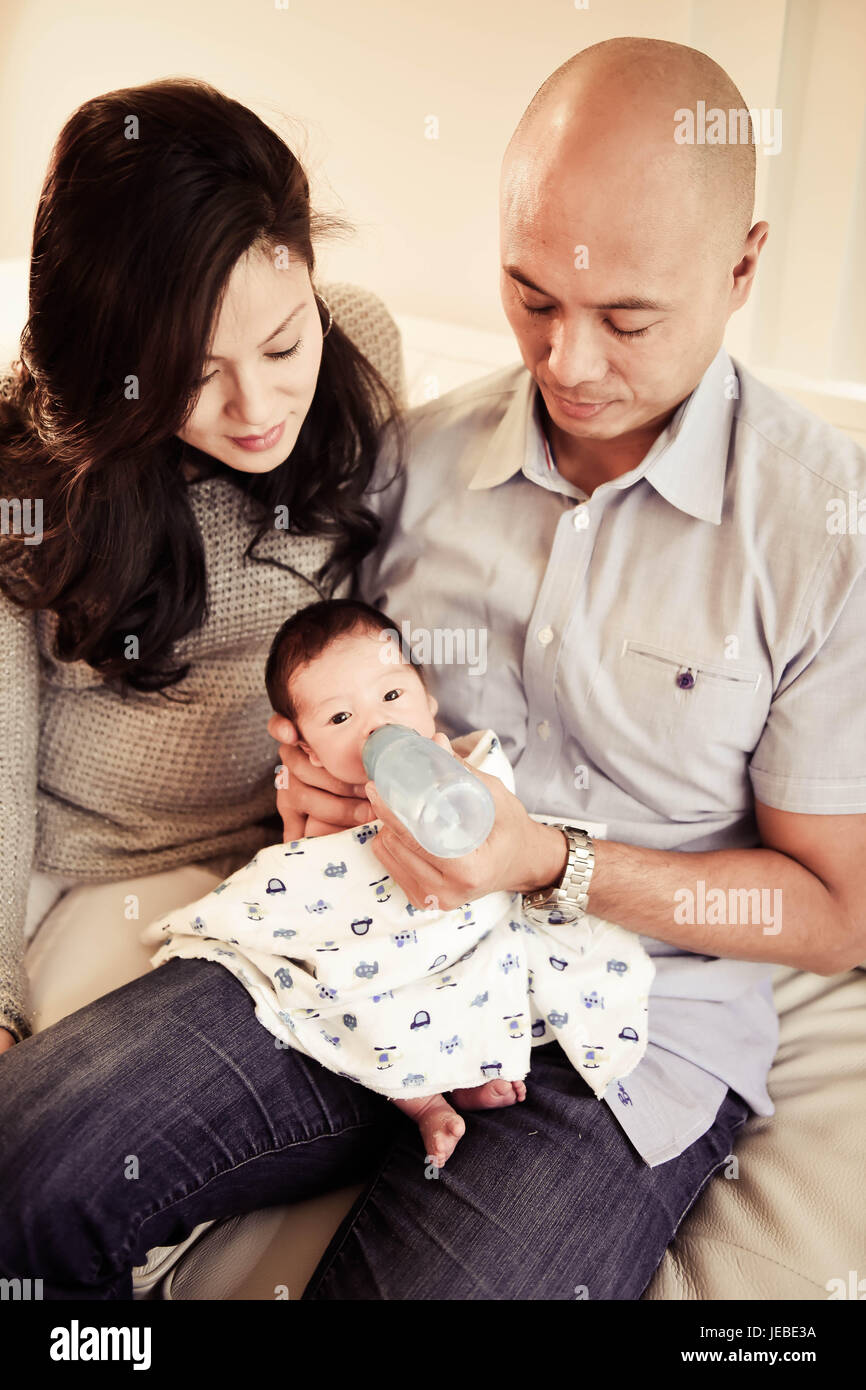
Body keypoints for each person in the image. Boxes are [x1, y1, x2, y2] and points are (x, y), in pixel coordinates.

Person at [1, 37, 863, 1303]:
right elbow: (334, 692)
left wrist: (550, 864)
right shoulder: (408, 458)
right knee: (26, 1175)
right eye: (530, 298)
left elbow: (834, 908)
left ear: (741, 267)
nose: (567, 366)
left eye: (625, 318)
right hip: (356, 941)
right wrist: (319, 784)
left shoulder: (818, 532)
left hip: (619, 1030)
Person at [139, 597, 654, 1167]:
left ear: (427, 700)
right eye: (340, 718)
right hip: (376, 962)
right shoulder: (322, 810)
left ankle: (481, 1065)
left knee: (507, 963)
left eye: (391, 696)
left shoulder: (460, 764)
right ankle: (428, 1102)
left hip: (468, 935)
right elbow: (299, 894)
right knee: (348, 1004)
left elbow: (502, 828)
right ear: (306, 750)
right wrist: (301, 852)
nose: (377, 725)